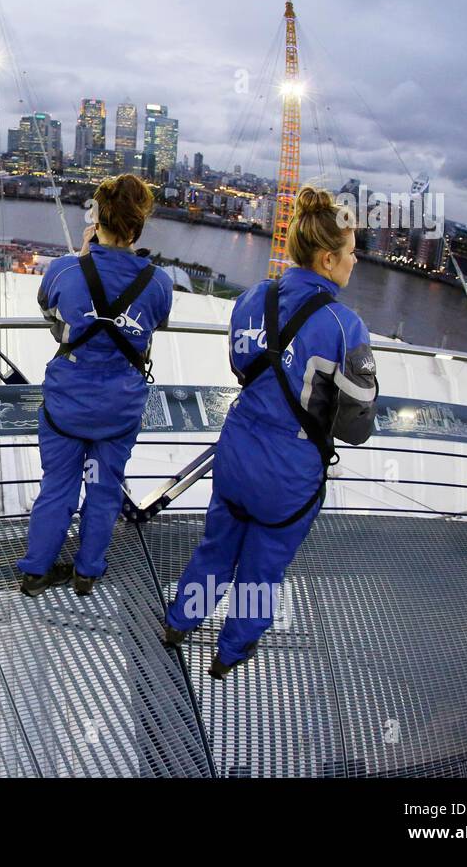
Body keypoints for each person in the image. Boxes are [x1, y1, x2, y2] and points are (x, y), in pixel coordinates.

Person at [163, 186, 378, 678]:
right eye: (351, 252)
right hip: (288, 474)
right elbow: (356, 426)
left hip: (236, 454)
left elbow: (243, 367)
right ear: (328, 259)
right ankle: (230, 652)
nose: (355, 261)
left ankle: (179, 621)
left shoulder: (252, 298)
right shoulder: (345, 327)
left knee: (216, 547)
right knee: (263, 568)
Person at [17, 174, 174, 597]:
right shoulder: (158, 283)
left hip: (67, 404)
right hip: (118, 409)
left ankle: (36, 571)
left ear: (97, 218)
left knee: (58, 486)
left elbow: (50, 312)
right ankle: (88, 572)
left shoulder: (65, 270)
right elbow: (154, 324)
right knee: (104, 489)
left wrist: (86, 258)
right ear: (138, 225)